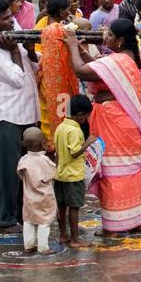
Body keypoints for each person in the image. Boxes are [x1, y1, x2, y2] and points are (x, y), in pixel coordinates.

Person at [62, 19, 141, 233]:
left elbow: (82, 73)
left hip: (115, 122)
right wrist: (83, 52)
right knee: (130, 170)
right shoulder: (124, 58)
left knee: (113, 173)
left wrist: (73, 46)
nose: (105, 38)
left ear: (120, 41)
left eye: (110, 35)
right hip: (122, 122)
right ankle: (134, 220)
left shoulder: (118, 60)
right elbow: (100, 71)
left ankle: (115, 224)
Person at [0, 0, 39, 232]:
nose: (11, 21)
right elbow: (17, 78)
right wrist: (15, 51)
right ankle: (4, 220)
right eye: (6, 19)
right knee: (6, 172)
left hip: (27, 115)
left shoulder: (16, 35)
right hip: (7, 116)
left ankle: (20, 214)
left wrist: (30, 50)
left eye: (11, 16)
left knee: (25, 171)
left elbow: (34, 69)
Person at [37, 0, 81, 138]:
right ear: (62, 11)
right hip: (62, 80)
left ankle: (50, 143)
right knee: (62, 113)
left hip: (47, 79)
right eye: (67, 9)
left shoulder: (44, 28)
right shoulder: (63, 30)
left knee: (48, 113)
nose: (69, 12)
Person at [51, 94, 91, 248]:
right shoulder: (75, 131)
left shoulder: (61, 127)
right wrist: (88, 142)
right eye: (86, 117)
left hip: (60, 174)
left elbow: (58, 153)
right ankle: (75, 238)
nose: (85, 120)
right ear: (80, 115)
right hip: (73, 176)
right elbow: (75, 152)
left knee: (61, 206)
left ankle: (63, 234)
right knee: (74, 207)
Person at [17, 127, 57, 255]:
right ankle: (43, 247)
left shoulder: (23, 160)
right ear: (42, 143)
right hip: (44, 196)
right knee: (44, 221)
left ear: (23, 144)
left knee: (29, 220)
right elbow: (52, 173)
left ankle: (28, 245)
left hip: (29, 196)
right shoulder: (44, 161)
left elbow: (20, 174)